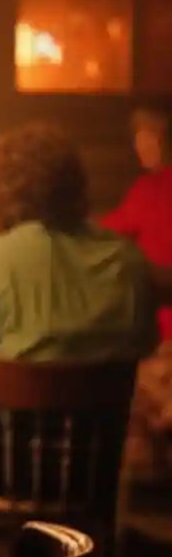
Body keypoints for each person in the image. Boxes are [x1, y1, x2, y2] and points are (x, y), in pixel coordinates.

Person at [0, 123, 160, 362]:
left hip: (11, 400)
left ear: (1, 190)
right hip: (107, 400)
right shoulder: (129, 261)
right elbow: (147, 349)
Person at [99, 107, 172, 482]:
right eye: (137, 137)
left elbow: (107, 233)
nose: (139, 145)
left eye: (147, 136)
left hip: (160, 334)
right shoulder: (146, 189)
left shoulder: (154, 190)